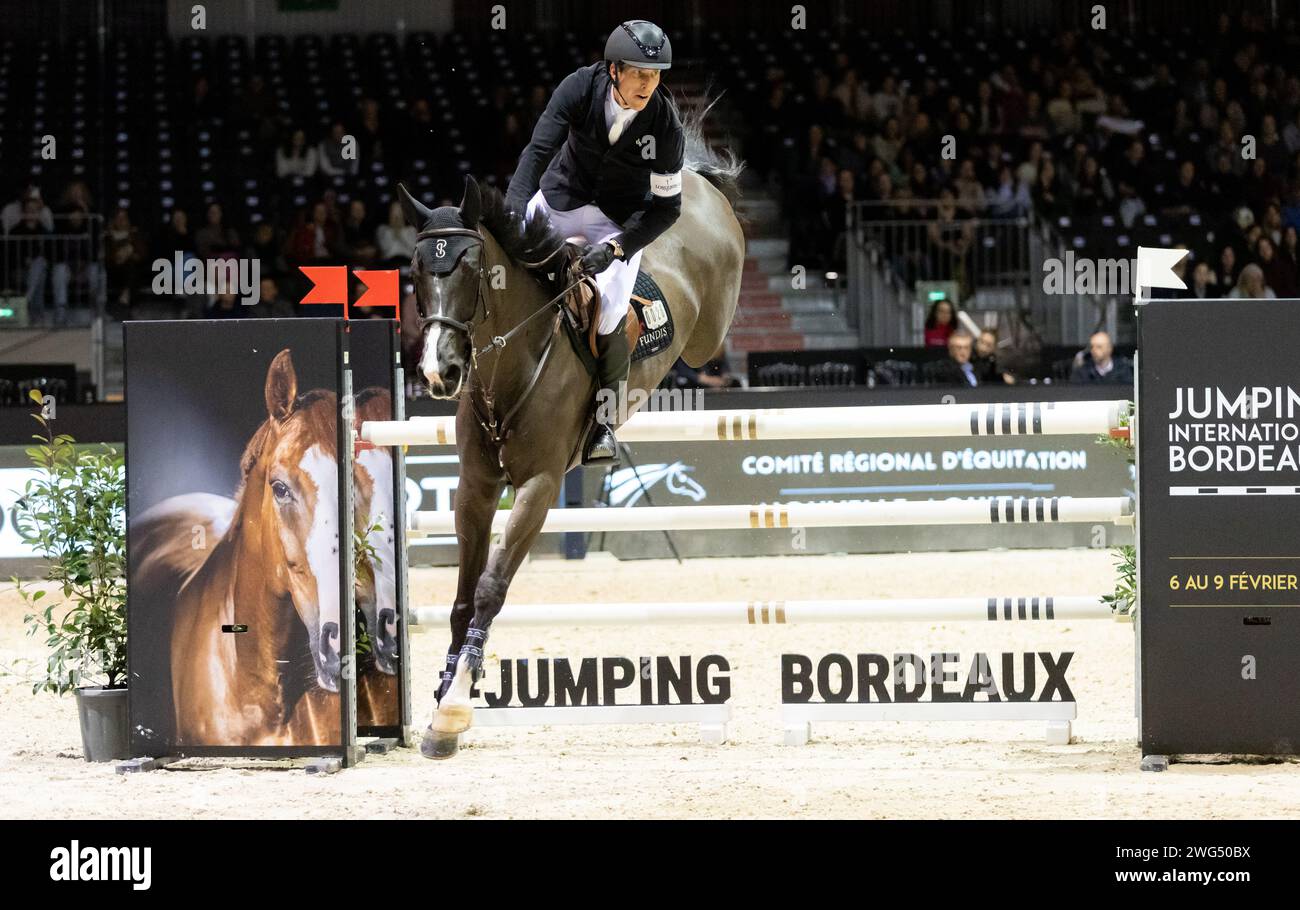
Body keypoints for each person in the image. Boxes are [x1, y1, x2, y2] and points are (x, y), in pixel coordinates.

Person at [504, 20, 684, 465]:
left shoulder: (665, 125)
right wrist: (510, 215)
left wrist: (619, 248)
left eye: (656, 74)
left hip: (616, 223)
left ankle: (603, 421)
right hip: (560, 202)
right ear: (614, 70)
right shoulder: (578, 88)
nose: (648, 83)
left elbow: (666, 209)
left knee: (610, 312)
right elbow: (537, 153)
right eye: (640, 73)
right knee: (504, 270)